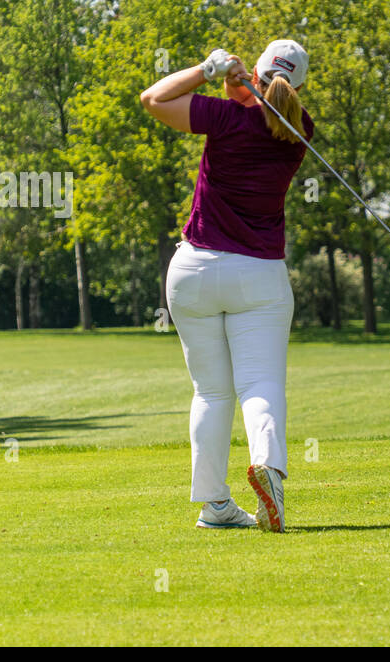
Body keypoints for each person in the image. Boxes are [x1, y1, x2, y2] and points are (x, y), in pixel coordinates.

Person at [139, 41, 313, 532]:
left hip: (194, 272)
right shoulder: (303, 131)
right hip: (258, 276)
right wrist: (236, 82)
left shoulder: (224, 119)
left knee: (211, 393)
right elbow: (263, 106)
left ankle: (215, 504)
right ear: (300, 86)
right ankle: (268, 467)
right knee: (259, 384)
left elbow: (153, 99)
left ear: (256, 75)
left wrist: (208, 68)